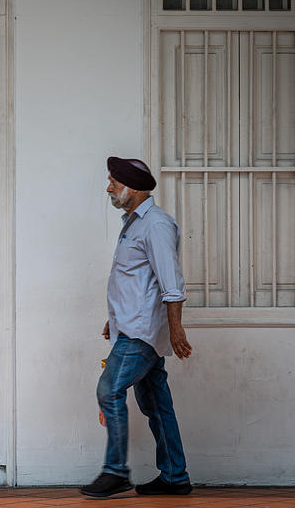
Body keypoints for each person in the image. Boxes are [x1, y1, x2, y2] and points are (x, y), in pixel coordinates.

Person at [80, 156, 194, 498]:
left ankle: (115, 471)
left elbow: (171, 284)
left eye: (114, 181)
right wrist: (112, 318)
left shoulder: (156, 225)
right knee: (157, 404)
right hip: (130, 326)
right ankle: (175, 476)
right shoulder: (132, 223)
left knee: (108, 389)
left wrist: (176, 330)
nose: (109, 187)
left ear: (134, 186)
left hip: (142, 333)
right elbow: (135, 280)